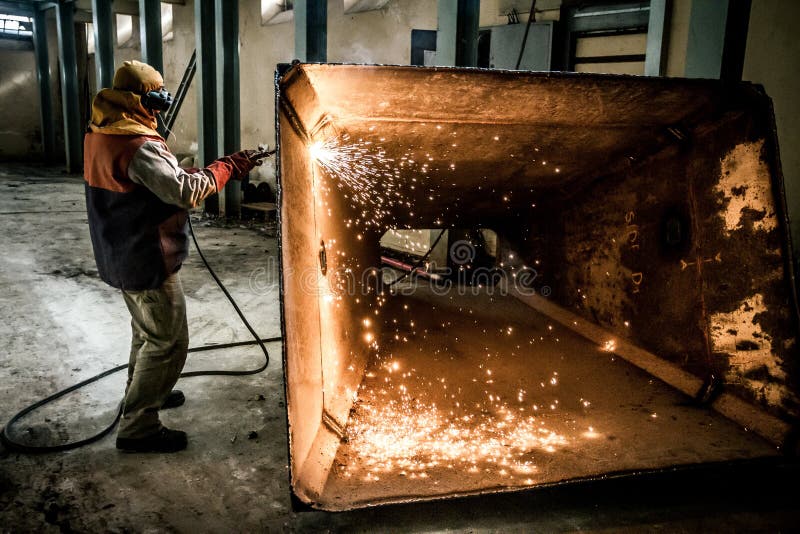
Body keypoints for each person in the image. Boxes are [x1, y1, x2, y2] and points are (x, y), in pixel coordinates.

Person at [83, 60, 267, 453]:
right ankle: (139, 425)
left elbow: (154, 181)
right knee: (168, 342)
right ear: (139, 98)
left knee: (146, 331)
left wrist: (192, 169)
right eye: (156, 94)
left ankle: (147, 392)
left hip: (119, 249)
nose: (160, 102)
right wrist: (229, 167)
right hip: (145, 255)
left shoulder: (102, 132)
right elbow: (183, 192)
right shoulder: (137, 144)